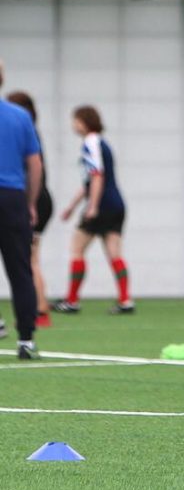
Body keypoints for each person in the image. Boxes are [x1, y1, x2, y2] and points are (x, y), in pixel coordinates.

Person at [51, 106, 135, 315]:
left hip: (103, 205)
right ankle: (125, 300)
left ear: (83, 122)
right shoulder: (102, 143)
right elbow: (89, 182)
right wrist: (72, 206)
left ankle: (72, 300)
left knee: (77, 248)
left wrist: (92, 206)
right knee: (115, 252)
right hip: (116, 204)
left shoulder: (90, 142)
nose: (73, 125)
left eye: (75, 120)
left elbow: (96, 176)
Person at [0, 60, 43, 359]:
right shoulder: (21, 116)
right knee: (20, 269)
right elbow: (35, 164)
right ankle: (26, 338)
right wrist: (30, 201)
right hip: (13, 197)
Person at [6, 91, 54, 327]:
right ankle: (35, 318)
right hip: (26, 199)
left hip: (28, 198)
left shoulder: (20, 125)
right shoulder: (25, 126)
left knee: (30, 259)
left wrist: (30, 202)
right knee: (27, 260)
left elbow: (35, 167)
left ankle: (41, 309)